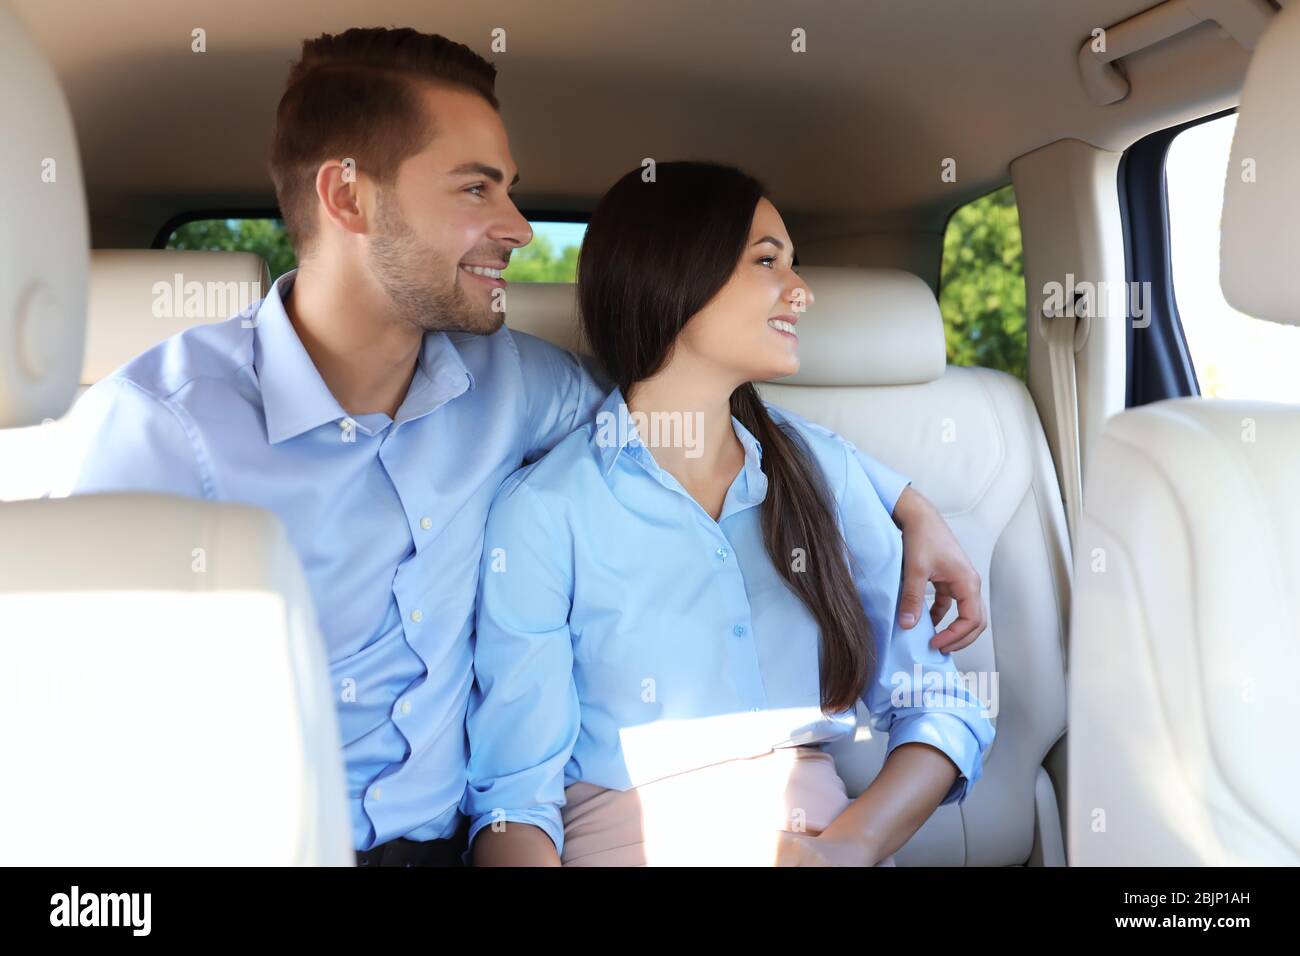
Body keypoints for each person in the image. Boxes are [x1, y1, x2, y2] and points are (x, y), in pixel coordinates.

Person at [55, 28, 986, 866]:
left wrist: (904, 500)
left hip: (443, 847)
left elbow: (687, 410)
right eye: (476, 188)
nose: (520, 228)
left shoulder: (514, 385)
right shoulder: (161, 432)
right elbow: (80, 731)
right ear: (348, 194)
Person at [465, 162, 995, 866]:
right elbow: (513, 803)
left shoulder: (820, 475)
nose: (800, 292)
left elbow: (942, 704)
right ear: (674, 273)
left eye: (794, 265)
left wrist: (850, 848)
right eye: (768, 262)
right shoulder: (544, 514)